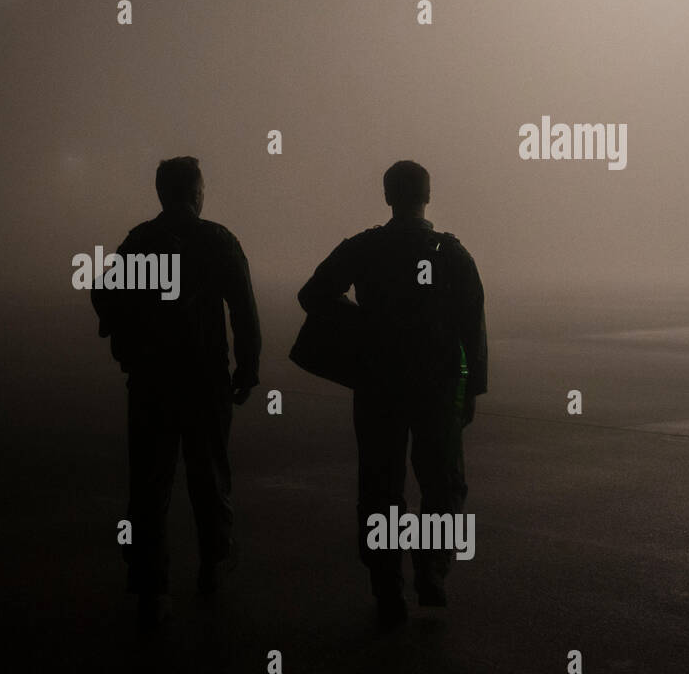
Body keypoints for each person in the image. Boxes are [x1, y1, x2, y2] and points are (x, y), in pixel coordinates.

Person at [298, 160, 487, 627]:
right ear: (428, 195)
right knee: (442, 484)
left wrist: (362, 326)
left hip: (378, 384)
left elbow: (313, 295)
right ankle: (432, 570)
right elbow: (472, 329)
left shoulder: (365, 248)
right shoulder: (452, 255)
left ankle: (387, 588)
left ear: (387, 196)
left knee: (381, 487)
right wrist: (471, 391)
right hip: (436, 389)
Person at [92, 156, 261, 628]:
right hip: (206, 380)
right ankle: (213, 563)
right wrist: (247, 368)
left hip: (151, 382)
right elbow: (243, 311)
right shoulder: (219, 240)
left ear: (161, 192)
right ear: (197, 192)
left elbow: (104, 294)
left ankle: (152, 586)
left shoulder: (140, 241)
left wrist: (126, 340)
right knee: (209, 476)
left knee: (150, 484)